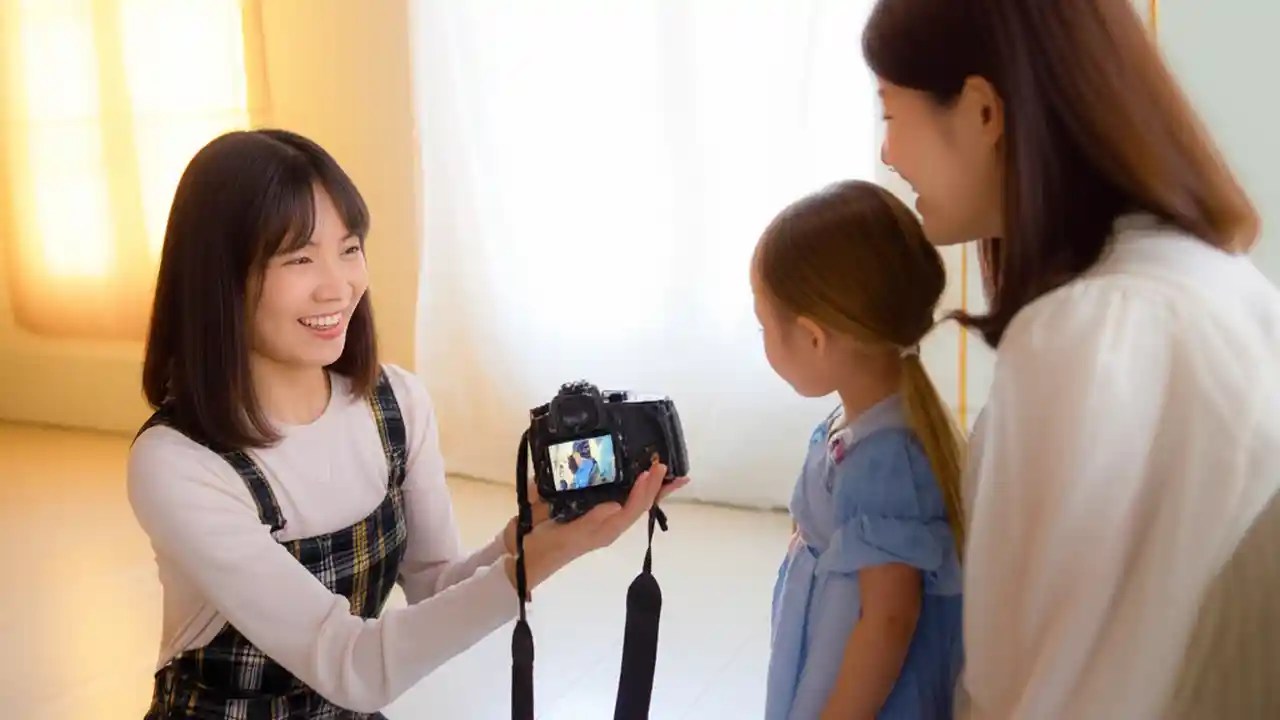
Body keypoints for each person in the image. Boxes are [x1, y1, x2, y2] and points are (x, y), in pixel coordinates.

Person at [127, 128, 687, 718]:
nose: (338, 285)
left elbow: (437, 585)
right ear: (219, 278)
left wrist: (526, 534)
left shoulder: (394, 404)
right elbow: (352, 665)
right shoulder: (179, 462)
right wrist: (541, 560)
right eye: (299, 258)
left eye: (349, 248)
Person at [863, 1, 1280, 717]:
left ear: (983, 112)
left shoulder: (1089, 331)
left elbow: (1036, 691)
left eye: (892, 114)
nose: (887, 154)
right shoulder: (1216, 278)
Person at [754, 180, 965, 720]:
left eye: (764, 326)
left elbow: (889, 620)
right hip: (826, 648)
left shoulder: (885, 460)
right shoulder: (861, 426)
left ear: (813, 337)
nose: (764, 341)